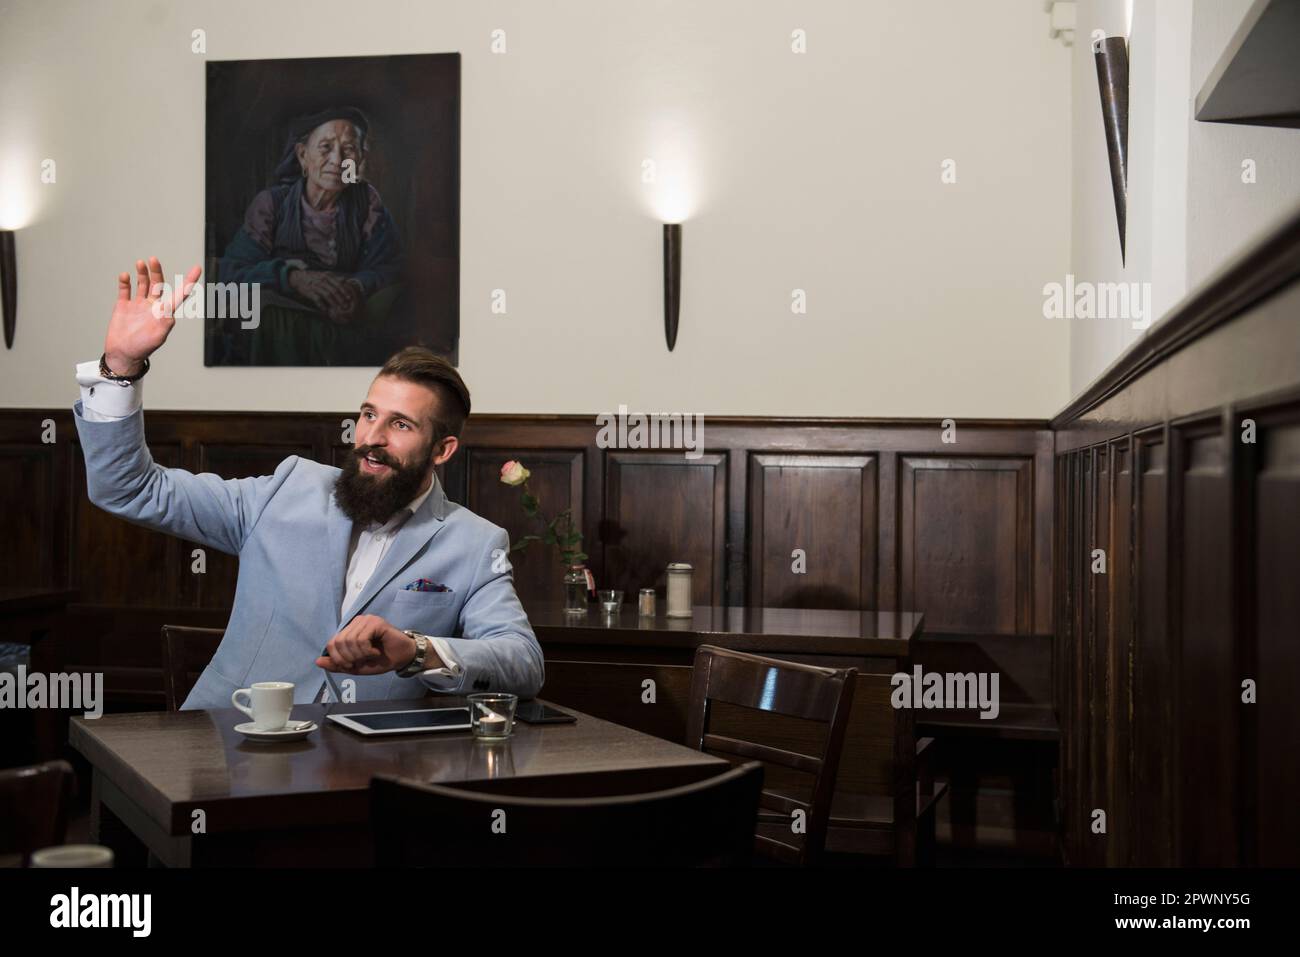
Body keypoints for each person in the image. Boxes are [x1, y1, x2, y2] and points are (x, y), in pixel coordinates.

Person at [74, 256, 543, 709]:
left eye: (401, 425)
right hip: (231, 741)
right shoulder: (285, 491)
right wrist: (120, 368)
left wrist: (416, 651)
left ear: (442, 450)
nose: (372, 438)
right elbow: (130, 489)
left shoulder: (475, 544)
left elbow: (523, 663)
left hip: (370, 756)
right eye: (369, 415)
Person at [216, 106, 405, 365]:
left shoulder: (366, 202)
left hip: (343, 326)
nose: (337, 160)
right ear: (303, 156)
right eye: (326, 147)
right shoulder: (271, 205)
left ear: (360, 157)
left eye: (349, 149)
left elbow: (391, 266)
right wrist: (293, 278)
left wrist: (355, 288)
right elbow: (231, 271)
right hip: (282, 327)